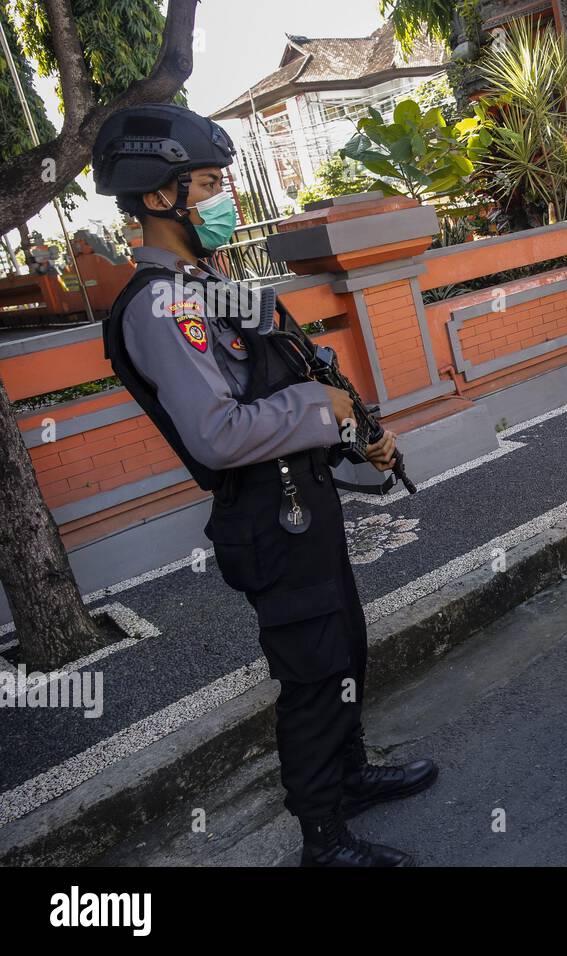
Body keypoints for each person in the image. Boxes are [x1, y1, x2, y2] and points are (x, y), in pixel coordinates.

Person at [92, 104, 437, 866]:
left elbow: (291, 369)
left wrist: (359, 429)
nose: (226, 199)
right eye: (210, 184)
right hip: (265, 515)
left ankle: (349, 776)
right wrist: (325, 410)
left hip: (300, 500)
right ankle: (323, 837)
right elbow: (217, 433)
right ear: (159, 197)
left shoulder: (206, 281)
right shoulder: (162, 305)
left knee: (342, 646)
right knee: (313, 674)